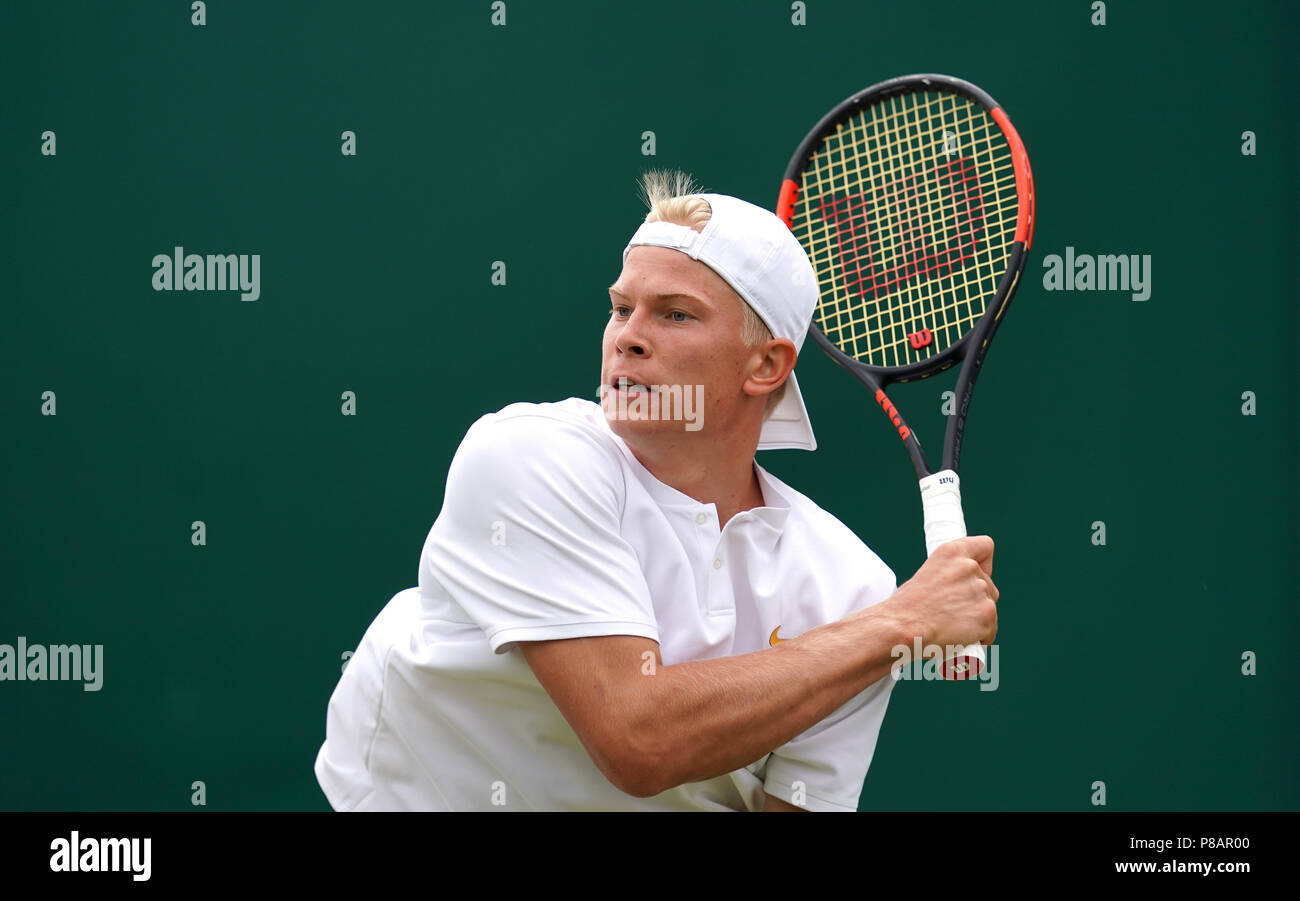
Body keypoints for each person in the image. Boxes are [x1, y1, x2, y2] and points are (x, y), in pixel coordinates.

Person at [313, 170, 999, 812]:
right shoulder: (525, 458)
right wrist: (900, 625)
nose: (628, 339)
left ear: (766, 364)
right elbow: (638, 740)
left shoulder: (849, 588)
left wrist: (883, 624)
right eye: (621, 308)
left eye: (674, 314)